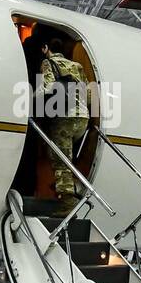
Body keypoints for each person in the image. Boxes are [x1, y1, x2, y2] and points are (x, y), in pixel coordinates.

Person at [39, 38, 89, 213]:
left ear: (45, 48)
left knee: (60, 159)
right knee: (65, 155)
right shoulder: (78, 66)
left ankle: (68, 202)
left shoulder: (48, 62)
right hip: (83, 118)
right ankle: (67, 186)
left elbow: (47, 87)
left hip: (65, 117)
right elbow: (87, 92)